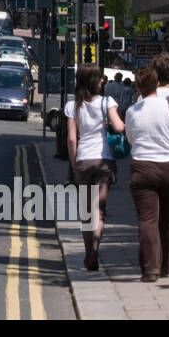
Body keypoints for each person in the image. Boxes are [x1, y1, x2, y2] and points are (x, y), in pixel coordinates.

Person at [123, 66, 169, 282]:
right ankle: (166, 265)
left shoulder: (132, 111)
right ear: (157, 84)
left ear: (138, 87)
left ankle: (150, 268)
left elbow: (131, 139)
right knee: (168, 220)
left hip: (142, 167)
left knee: (147, 219)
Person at [65, 63, 125, 271]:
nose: (102, 81)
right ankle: (95, 251)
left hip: (83, 161)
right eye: (100, 78)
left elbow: (72, 140)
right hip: (103, 161)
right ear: (93, 80)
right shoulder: (107, 102)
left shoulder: (73, 106)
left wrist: (74, 166)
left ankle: (87, 251)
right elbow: (119, 127)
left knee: (86, 213)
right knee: (99, 211)